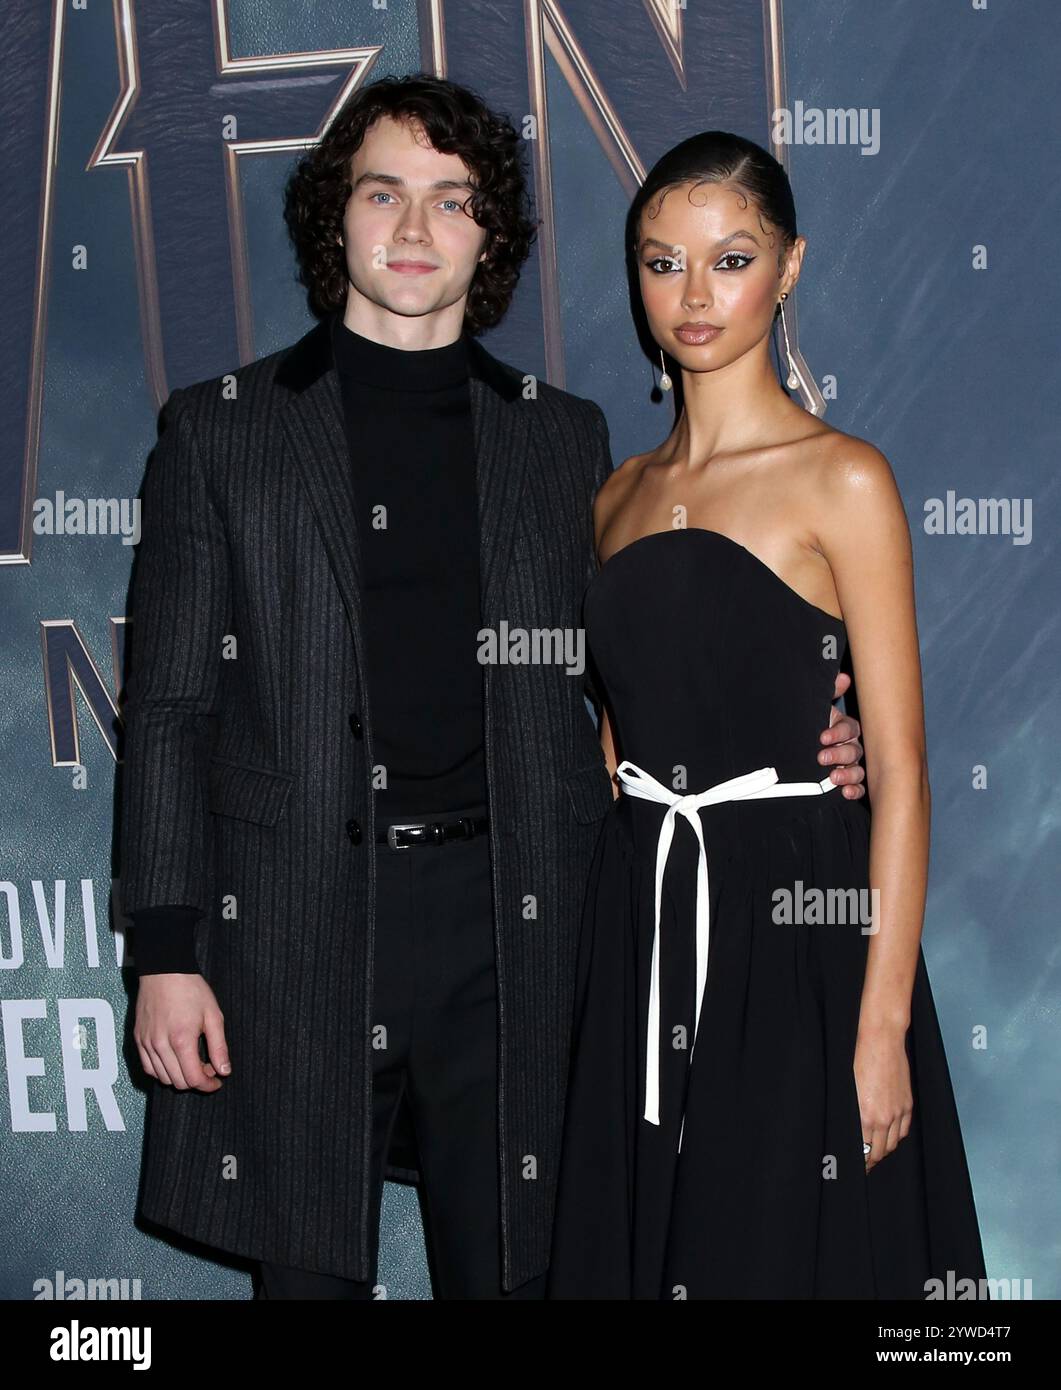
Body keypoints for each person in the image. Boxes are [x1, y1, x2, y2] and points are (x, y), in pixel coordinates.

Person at [120, 80, 866, 1301]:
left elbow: (651, 659)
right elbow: (167, 709)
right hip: (296, 923)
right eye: (382, 193)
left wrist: (825, 732)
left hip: (518, 927)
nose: (414, 229)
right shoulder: (222, 432)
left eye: (451, 200)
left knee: (523, 1278)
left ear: (491, 234)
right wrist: (163, 945)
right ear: (336, 219)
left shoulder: (558, 440)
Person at [547, 131, 987, 1299]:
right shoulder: (614, 498)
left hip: (793, 937)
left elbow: (898, 767)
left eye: (730, 259)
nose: (693, 297)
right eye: (661, 261)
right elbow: (621, 744)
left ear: (787, 268)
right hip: (641, 926)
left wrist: (879, 1020)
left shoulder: (842, 478)